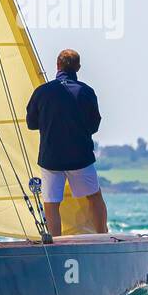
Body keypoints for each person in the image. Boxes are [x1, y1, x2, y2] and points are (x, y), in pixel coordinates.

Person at [25, 49, 108, 236]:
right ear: (78, 67)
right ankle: (102, 235)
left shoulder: (42, 92)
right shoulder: (86, 92)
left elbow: (31, 124)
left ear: (57, 66)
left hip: (50, 158)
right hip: (80, 158)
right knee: (94, 197)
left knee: (51, 202)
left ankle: (55, 242)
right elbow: (94, 124)